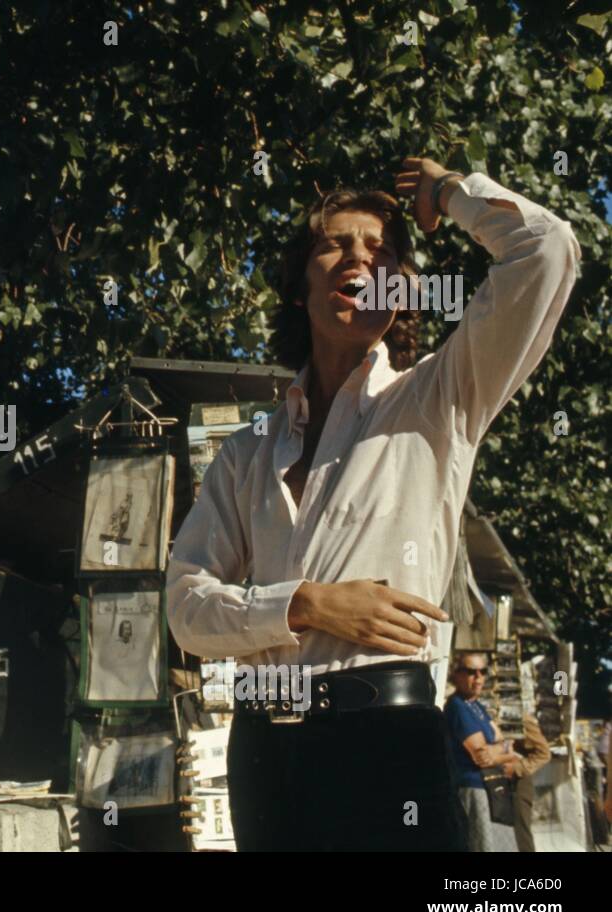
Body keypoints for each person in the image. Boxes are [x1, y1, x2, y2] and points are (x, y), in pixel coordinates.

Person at [165, 157, 581, 851]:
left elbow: (548, 251)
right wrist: (302, 606)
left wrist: (450, 193)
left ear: (403, 291)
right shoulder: (246, 455)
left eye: (381, 249)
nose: (360, 256)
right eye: (335, 243)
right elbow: (185, 607)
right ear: (300, 287)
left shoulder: (438, 398)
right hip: (264, 754)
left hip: (388, 746)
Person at [444, 652, 521, 852]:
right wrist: (504, 751)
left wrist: (500, 749)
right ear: (457, 674)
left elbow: (502, 741)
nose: (478, 677)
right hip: (474, 788)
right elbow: (482, 757)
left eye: (482, 671)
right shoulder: (458, 707)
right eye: (471, 672)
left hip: (492, 786)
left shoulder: (477, 706)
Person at [510, 712, 551, 852]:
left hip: (518, 783)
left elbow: (544, 753)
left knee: (521, 833)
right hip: (495, 782)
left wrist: (518, 768)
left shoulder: (520, 715)